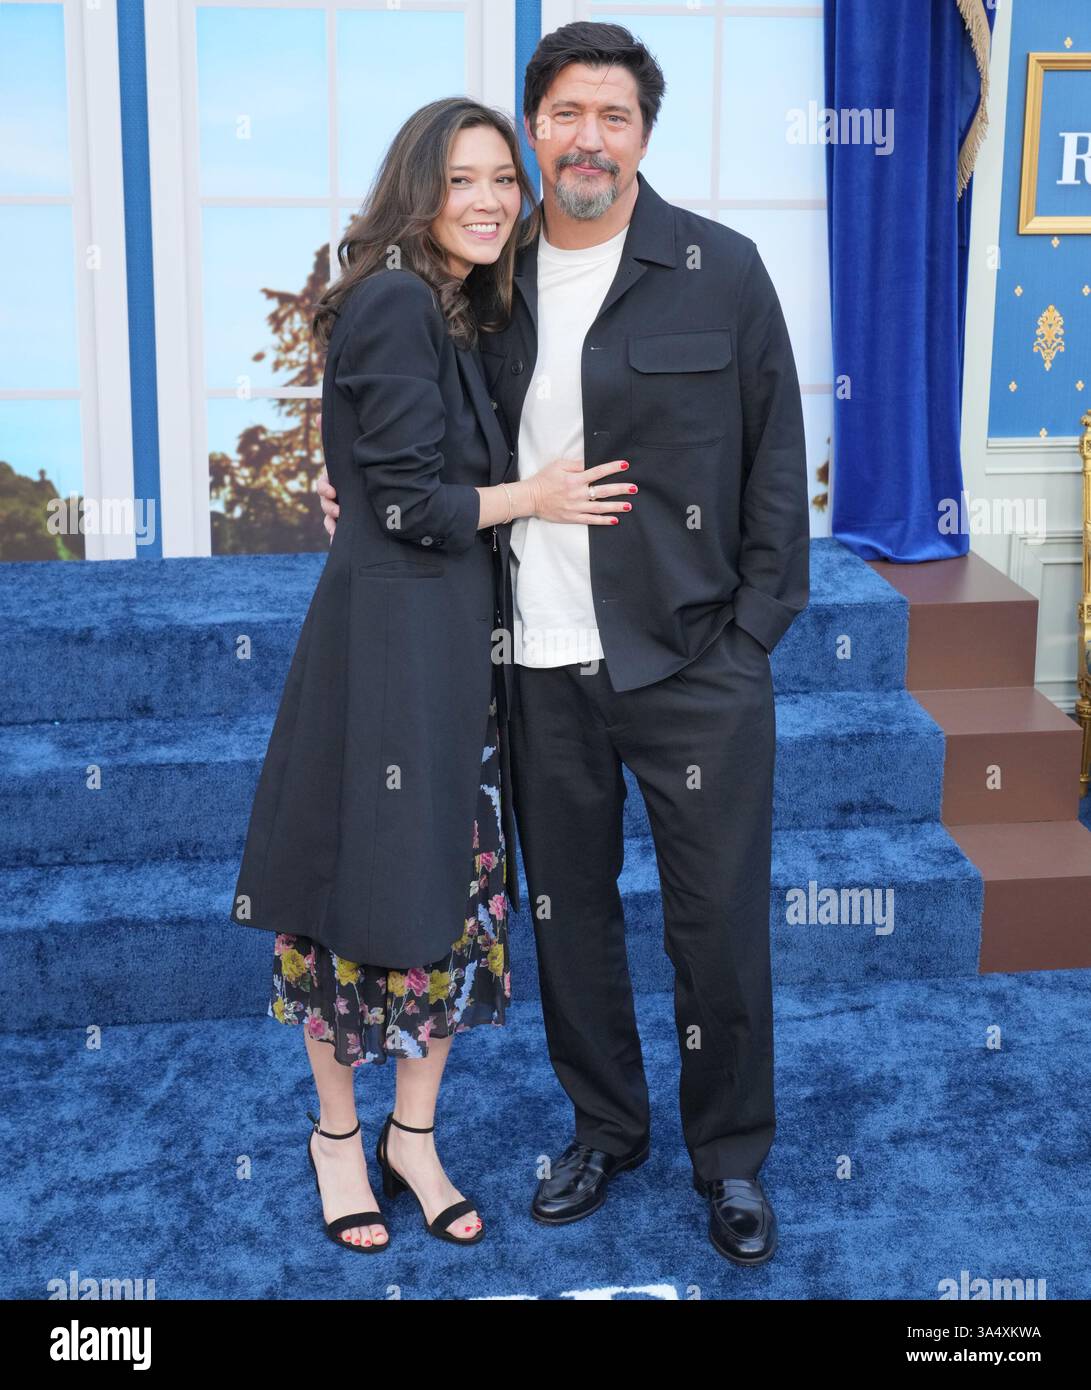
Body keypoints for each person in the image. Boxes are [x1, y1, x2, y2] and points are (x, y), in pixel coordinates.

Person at [319, 21, 810, 1266]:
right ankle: (604, 1129)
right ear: (532, 129)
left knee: (716, 925)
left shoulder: (723, 270)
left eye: (614, 117)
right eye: (563, 116)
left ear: (643, 133)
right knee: (566, 919)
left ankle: (732, 1160)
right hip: (528, 667)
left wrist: (749, 635)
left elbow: (773, 470)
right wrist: (343, 490)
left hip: (694, 666)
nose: (586, 139)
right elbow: (403, 436)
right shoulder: (482, 274)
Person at [230, 97, 634, 1253]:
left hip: (452, 652)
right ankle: (337, 1139)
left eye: (504, 180)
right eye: (463, 180)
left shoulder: (458, 307)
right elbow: (407, 503)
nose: (492, 201)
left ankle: (414, 1135)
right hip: (388, 662)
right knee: (351, 901)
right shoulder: (400, 302)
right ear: (419, 188)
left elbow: (382, 478)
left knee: (451, 897)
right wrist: (536, 496)